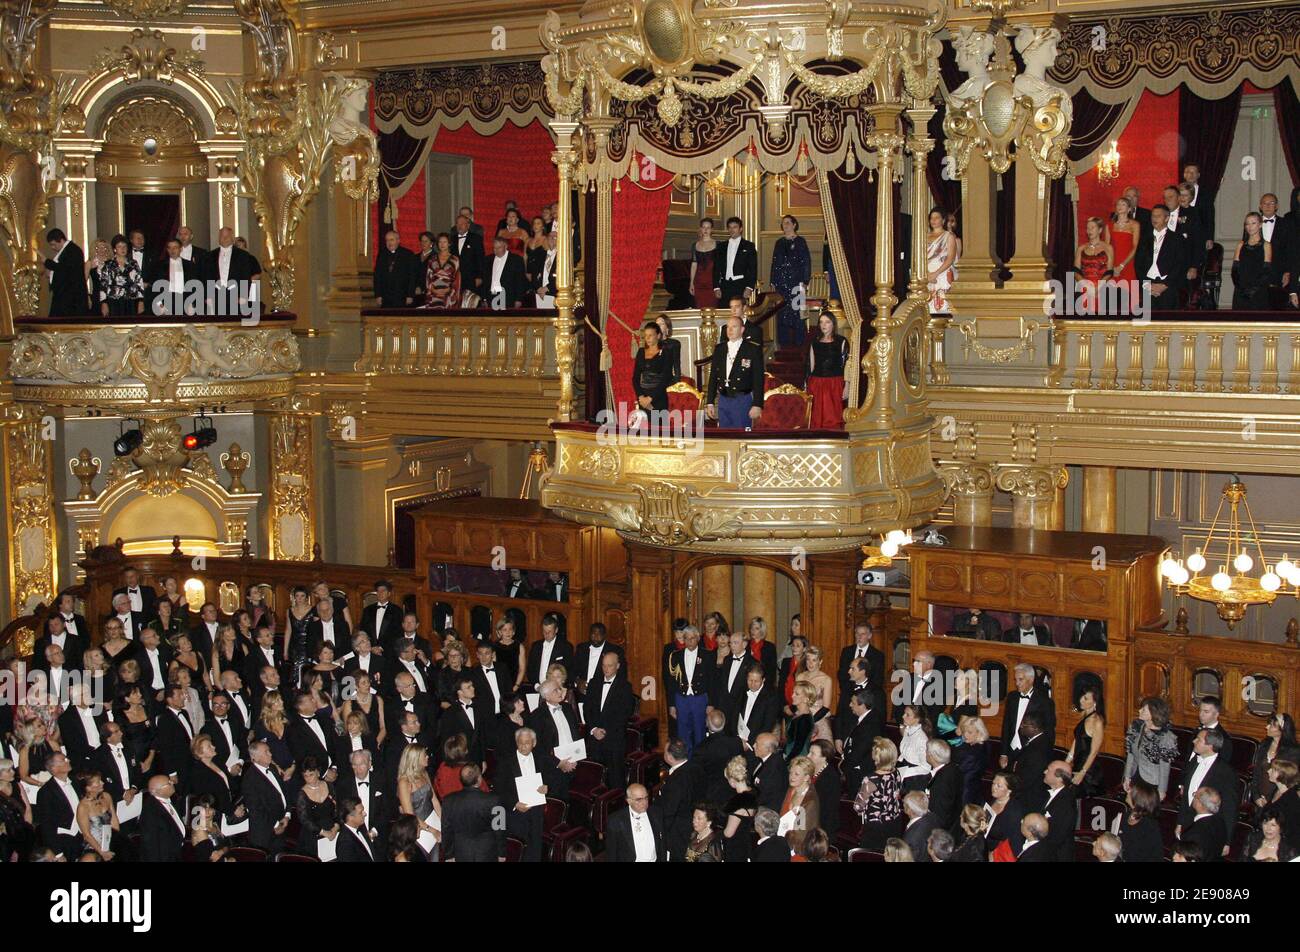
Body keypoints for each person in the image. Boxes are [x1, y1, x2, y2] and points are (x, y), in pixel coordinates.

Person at [704, 313, 765, 429]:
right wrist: (710, 402)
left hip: (742, 399)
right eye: (728, 327)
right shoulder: (720, 349)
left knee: (741, 437)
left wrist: (757, 404)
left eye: (734, 327)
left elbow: (758, 379)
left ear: (742, 329)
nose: (730, 330)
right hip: (723, 399)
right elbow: (713, 377)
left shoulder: (752, 349)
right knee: (725, 436)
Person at [583, 651, 635, 786]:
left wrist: (605, 731)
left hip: (614, 740)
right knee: (594, 780)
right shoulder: (594, 683)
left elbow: (624, 714)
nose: (606, 669)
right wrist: (594, 729)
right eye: (604, 665)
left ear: (618, 666)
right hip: (595, 739)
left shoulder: (625, 687)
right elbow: (587, 709)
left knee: (615, 780)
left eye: (610, 666)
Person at [441, 764, 505, 862]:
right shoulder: (495, 800)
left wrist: (449, 855)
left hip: (461, 852)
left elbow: (446, 830)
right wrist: (502, 853)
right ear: (479, 779)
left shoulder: (448, 801)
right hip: (487, 852)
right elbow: (500, 830)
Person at [1123, 695, 1179, 801]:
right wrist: (1127, 776)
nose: (1139, 710)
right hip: (1135, 776)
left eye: (1143, 709)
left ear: (1153, 714)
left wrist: (1162, 790)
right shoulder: (1137, 727)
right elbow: (1130, 754)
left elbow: (1165, 766)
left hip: (1151, 781)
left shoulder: (1165, 737)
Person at [999, 663, 1055, 767]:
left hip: (1031, 752)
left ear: (1031, 680)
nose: (1017, 683)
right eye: (1015, 680)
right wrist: (1003, 753)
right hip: (1011, 751)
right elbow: (1006, 725)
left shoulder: (1044, 702)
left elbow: (1049, 731)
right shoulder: (1012, 697)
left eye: (1021, 679)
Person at [1137, 204, 1189, 310]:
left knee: (1166, 320)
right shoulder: (1144, 238)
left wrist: (1164, 285)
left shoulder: (1177, 239)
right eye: (1153, 216)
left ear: (1167, 218)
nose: (1154, 219)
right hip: (1147, 285)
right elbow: (1138, 263)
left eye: (1158, 216)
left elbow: (1180, 264)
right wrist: (1147, 284)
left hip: (1167, 286)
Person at [854, 736, 902, 849]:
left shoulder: (871, 779)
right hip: (895, 820)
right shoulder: (897, 773)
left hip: (876, 825)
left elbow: (858, 806)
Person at [770, 214, 812, 346]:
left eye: (788, 222)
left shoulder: (800, 242)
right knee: (782, 313)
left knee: (797, 313)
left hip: (796, 282)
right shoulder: (779, 243)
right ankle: (784, 344)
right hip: (781, 284)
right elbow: (775, 263)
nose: (785, 225)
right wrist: (773, 281)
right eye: (783, 223)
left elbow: (806, 262)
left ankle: (800, 344)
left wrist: (805, 281)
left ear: (794, 225)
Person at [396, 743, 441, 858]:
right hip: (418, 830)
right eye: (424, 755)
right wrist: (431, 830)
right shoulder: (404, 782)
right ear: (415, 759)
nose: (427, 757)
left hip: (434, 824)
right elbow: (409, 814)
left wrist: (443, 821)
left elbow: (434, 800)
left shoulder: (424, 774)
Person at [205, 227, 262, 316]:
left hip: (236, 297)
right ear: (218, 238)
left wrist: (243, 295)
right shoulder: (210, 255)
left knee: (235, 325)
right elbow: (207, 276)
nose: (224, 238)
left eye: (227, 236)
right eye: (222, 236)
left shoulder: (243, 255)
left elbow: (245, 276)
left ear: (232, 238)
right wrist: (207, 295)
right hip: (215, 297)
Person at [806, 311, 848, 429]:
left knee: (833, 418)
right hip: (817, 383)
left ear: (833, 324)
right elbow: (810, 367)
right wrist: (807, 386)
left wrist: (847, 386)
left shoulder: (842, 341)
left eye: (827, 322)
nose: (824, 325)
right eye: (821, 322)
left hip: (835, 383)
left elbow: (847, 366)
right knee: (817, 419)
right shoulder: (814, 343)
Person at [1251, 713, 1299, 812]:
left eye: (1272, 725)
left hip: (1279, 800)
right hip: (1261, 798)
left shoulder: (1293, 751)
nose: (1266, 727)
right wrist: (1256, 797)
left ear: (1282, 729)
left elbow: (1290, 780)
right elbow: (1256, 773)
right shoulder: (1264, 745)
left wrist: (1272, 799)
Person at [606, 782, 663, 862]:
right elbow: (611, 854)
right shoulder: (615, 820)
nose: (644, 802)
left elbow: (662, 844)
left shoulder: (656, 813)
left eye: (646, 798)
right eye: (639, 799)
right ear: (629, 801)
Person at [1065, 686, 1105, 796]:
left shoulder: (1097, 721)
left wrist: (1083, 772)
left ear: (1095, 702)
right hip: (1079, 763)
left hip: (1089, 769)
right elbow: (1076, 741)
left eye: (1086, 698)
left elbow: (1094, 751)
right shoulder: (1085, 716)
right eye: (1081, 697)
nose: (1081, 700)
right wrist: (1066, 762)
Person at [632, 320, 673, 424]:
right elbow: (635, 378)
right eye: (646, 335)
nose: (647, 338)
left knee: (658, 434)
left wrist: (650, 398)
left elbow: (666, 378)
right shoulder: (641, 352)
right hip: (643, 399)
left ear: (658, 336)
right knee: (643, 434)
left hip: (658, 399)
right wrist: (641, 397)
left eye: (651, 335)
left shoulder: (665, 352)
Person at [138, 774, 186, 862]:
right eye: (169, 783)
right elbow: (151, 844)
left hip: (175, 853)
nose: (172, 783)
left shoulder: (169, 800)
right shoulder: (151, 811)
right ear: (157, 791)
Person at [1231, 211, 1273, 310]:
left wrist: (1253, 289)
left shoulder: (1266, 245)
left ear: (1260, 225)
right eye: (1247, 224)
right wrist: (1241, 289)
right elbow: (1235, 270)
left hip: (1259, 291)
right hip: (1241, 291)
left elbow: (1266, 271)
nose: (1250, 227)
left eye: (1253, 223)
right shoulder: (1241, 245)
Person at [711, 216, 757, 304]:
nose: (732, 230)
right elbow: (716, 268)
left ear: (740, 229)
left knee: (739, 313)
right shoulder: (721, 246)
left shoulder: (749, 246)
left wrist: (749, 287)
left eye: (735, 227)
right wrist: (716, 287)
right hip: (725, 286)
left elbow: (752, 269)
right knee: (724, 313)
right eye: (730, 227)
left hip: (741, 286)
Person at [97, 234, 146, 317]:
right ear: (114, 249)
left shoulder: (133, 264)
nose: (122, 249)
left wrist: (141, 301)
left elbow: (139, 283)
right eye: (119, 246)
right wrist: (104, 303)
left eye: (124, 246)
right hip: (113, 302)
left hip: (131, 302)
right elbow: (103, 285)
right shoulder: (108, 265)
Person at [780, 755, 820, 855]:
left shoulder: (809, 802)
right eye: (791, 773)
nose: (791, 777)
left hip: (798, 849)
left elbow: (801, 835)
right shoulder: (791, 790)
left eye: (796, 774)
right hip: (783, 841)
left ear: (806, 777)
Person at [1118, 778, 1165, 863]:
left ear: (1138, 799)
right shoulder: (1126, 815)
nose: (1128, 791)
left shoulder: (1149, 826)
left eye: (1131, 791)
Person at [44, 228, 87, 316]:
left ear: (61, 240)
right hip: (65, 297)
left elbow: (64, 270)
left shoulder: (72, 251)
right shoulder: (68, 250)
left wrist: (47, 262)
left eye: (53, 244)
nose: (52, 248)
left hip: (71, 299)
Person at [1178, 786, 1227, 861]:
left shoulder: (1195, 833)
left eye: (1195, 795)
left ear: (1200, 804)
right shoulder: (1220, 822)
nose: (1193, 797)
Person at [984, 770, 1024, 858]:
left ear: (1009, 790)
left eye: (999, 786)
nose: (994, 787)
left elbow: (1013, 843)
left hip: (997, 854)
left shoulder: (1014, 812)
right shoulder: (993, 799)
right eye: (993, 783)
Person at [926, 207, 958, 314]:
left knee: (942, 305)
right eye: (931, 218)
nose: (933, 220)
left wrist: (936, 273)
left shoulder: (948, 236)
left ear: (943, 220)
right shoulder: (924, 236)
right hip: (927, 274)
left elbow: (950, 258)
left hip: (942, 274)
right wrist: (926, 274)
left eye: (937, 217)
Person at [485, 235, 527, 309]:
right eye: (494, 248)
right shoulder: (488, 259)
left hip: (508, 297)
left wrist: (518, 299)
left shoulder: (516, 260)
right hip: (491, 296)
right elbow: (485, 280)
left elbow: (520, 281)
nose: (496, 250)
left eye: (499, 247)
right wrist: (484, 298)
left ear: (506, 246)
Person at [422, 232, 461, 310]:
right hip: (434, 294)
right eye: (440, 242)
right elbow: (428, 277)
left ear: (449, 243)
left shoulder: (455, 259)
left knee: (448, 320)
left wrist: (449, 290)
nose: (442, 244)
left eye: (444, 242)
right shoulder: (432, 259)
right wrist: (432, 289)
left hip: (449, 295)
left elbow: (457, 279)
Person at [335, 796, 378, 862]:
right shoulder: (344, 843)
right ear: (350, 817)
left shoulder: (361, 829)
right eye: (361, 812)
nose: (365, 814)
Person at [689, 217, 719, 308]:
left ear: (712, 229)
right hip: (699, 282)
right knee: (699, 307)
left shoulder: (718, 244)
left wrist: (719, 285)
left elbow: (719, 266)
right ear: (700, 229)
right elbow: (694, 264)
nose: (705, 230)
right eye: (703, 227)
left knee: (712, 308)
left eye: (708, 227)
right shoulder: (695, 245)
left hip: (712, 282)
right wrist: (691, 283)